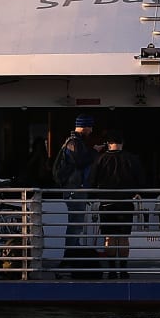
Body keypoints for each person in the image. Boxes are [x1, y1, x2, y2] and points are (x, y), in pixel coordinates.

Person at [90, 129, 146, 279]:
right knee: (124, 237)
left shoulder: (100, 159)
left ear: (108, 143)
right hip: (126, 203)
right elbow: (141, 181)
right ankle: (123, 269)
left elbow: (91, 181)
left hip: (107, 203)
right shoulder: (132, 159)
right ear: (122, 143)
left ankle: (112, 269)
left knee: (109, 237)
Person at [54, 114, 101, 271]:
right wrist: (94, 151)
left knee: (76, 223)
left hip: (75, 188)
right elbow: (80, 162)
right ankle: (69, 257)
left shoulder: (73, 142)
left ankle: (72, 254)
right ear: (85, 126)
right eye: (90, 127)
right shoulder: (74, 142)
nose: (92, 130)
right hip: (75, 189)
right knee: (75, 224)